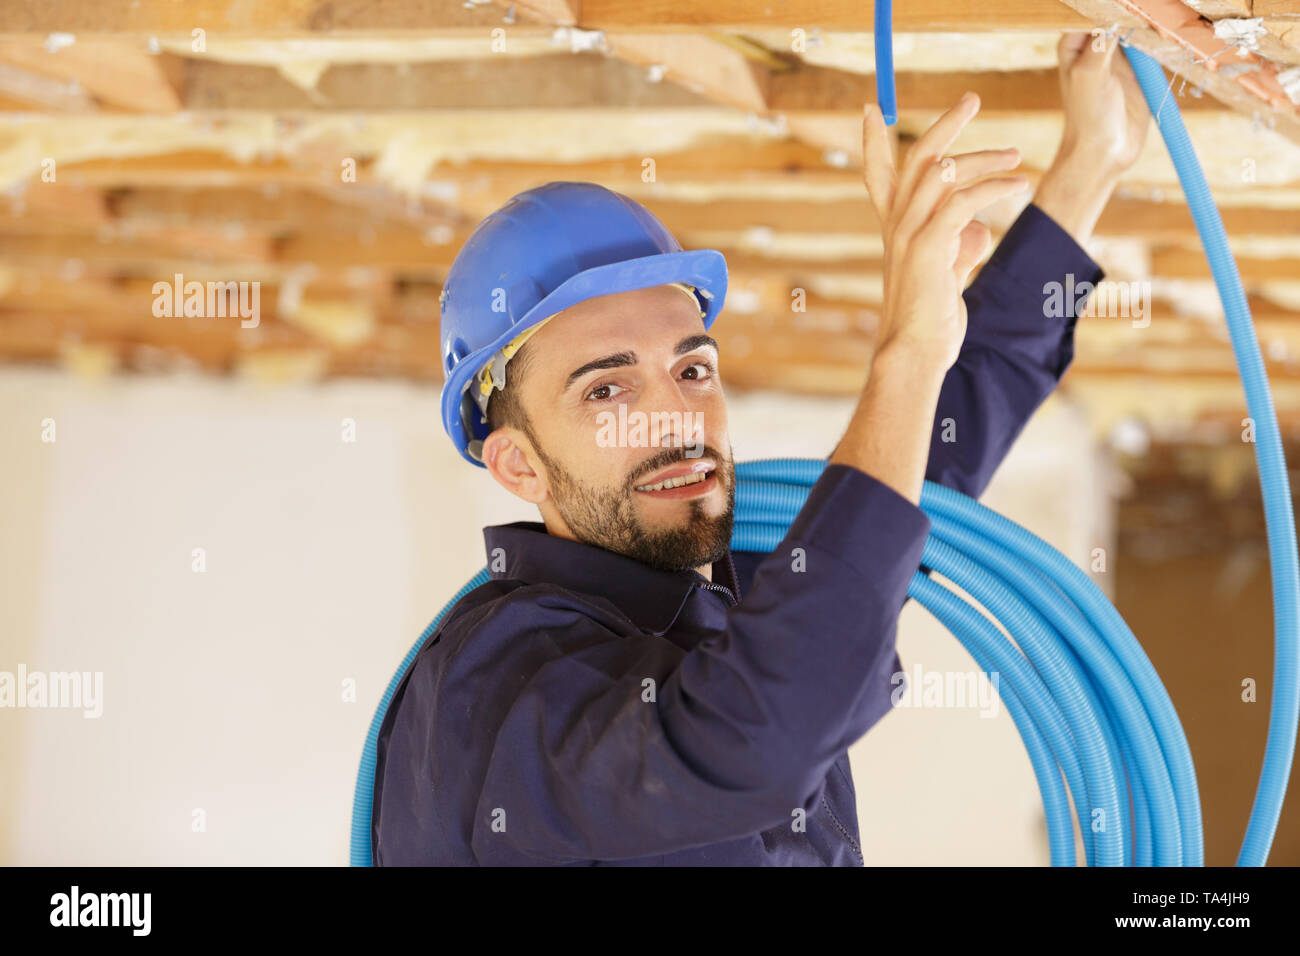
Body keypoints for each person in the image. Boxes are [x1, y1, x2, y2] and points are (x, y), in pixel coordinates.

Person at [371, 33, 1149, 866]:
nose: (677, 418)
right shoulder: (492, 682)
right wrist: (907, 348)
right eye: (606, 388)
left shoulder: (715, 601)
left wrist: (1088, 166)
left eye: (692, 367)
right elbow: (752, 737)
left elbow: (916, 481)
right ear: (518, 463)